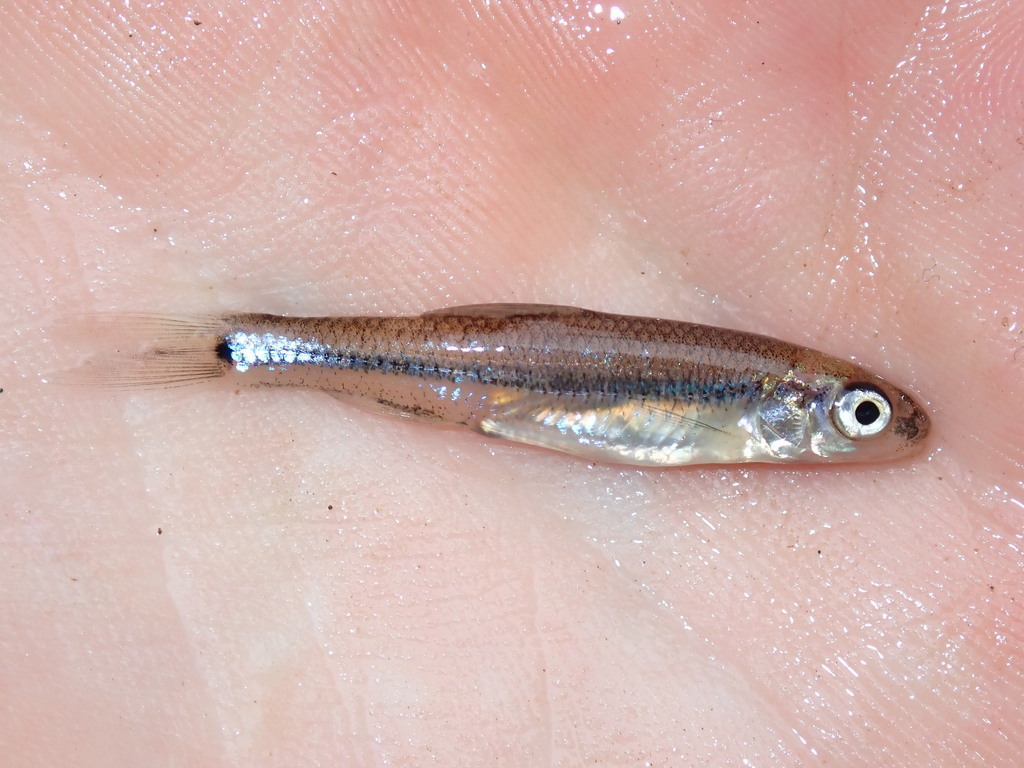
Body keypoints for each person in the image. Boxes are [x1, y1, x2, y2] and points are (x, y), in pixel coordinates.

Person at [2, 1, 1020, 764]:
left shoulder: (768, 401)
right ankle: (259, 350)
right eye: (863, 413)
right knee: (366, 366)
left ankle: (259, 352)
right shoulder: (762, 400)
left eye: (868, 412)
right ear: (797, 407)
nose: (874, 427)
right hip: (497, 385)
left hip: (500, 388)